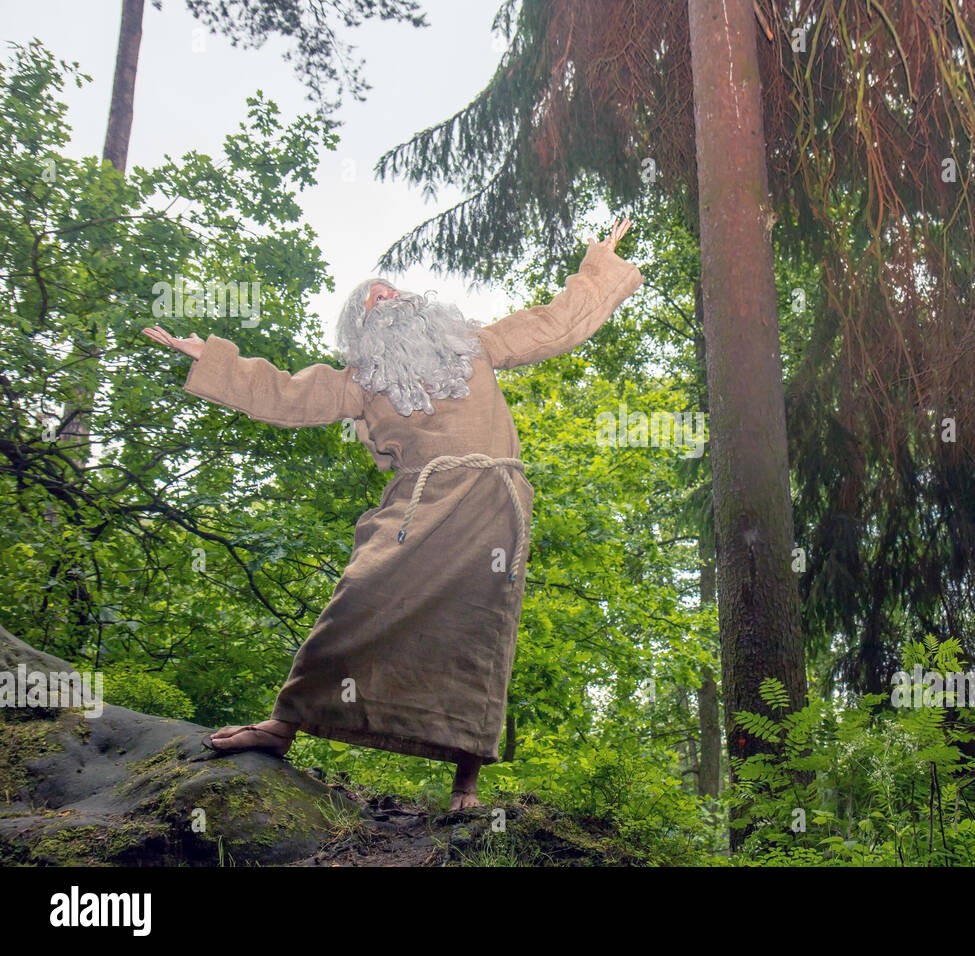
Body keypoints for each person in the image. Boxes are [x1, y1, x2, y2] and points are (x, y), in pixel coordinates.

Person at [142, 218, 640, 809]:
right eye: (374, 298)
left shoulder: (475, 344)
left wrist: (598, 265)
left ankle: (466, 782)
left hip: (490, 505)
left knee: (476, 631)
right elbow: (287, 394)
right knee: (359, 597)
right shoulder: (361, 382)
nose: (389, 296)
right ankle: (284, 723)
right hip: (416, 503)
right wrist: (214, 359)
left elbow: (556, 323)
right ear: (361, 328)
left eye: (393, 289)